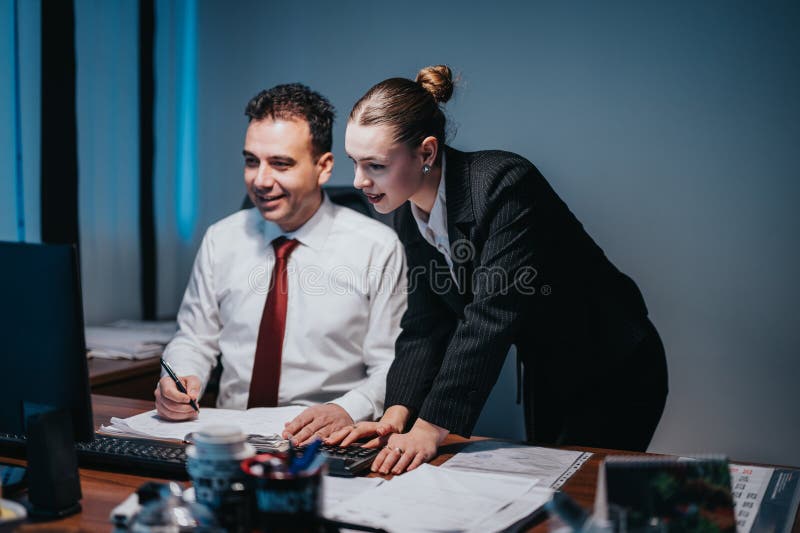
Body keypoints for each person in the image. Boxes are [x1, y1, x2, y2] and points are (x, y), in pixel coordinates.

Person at [328, 65, 668, 474]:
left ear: (427, 153)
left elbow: (490, 315)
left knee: (589, 491)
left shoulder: (504, 183)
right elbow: (425, 323)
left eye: (375, 165)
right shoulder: (405, 211)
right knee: (549, 489)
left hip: (614, 365)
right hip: (548, 371)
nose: (359, 181)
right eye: (354, 162)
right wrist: (395, 414)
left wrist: (430, 428)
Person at [155, 83, 407, 445]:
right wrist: (179, 378)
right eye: (251, 161)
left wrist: (348, 409)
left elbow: (391, 364)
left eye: (280, 164)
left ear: (323, 167)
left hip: (323, 441)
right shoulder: (221, 239)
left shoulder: (377, 248)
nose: (260, 180)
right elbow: (194, 338)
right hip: (227, 437)